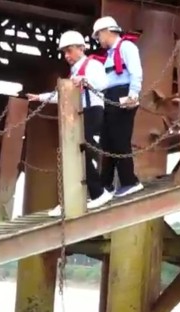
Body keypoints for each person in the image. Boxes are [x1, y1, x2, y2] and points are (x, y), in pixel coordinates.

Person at [26, 30, 113, 216]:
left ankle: (98, 192)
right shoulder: (74, 71)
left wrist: (86, 80)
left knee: (80, 149)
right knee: (75, 152)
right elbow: (64, 95)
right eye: (64, 52)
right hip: (80, 113)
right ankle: (76, 197)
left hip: (92, 111)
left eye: (69, 50)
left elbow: (103, 83)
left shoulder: (93, 65)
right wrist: (39, 97)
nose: (66, 56)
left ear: (81, 48)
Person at [91, 16, 144, 198]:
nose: (98, 39)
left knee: (120, 140)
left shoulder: (127, 47)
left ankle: (130, 181)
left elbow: (136, 71)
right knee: (107, 141)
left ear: (108, 31)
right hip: (110, 96)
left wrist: (133, 94)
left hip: (123, 95)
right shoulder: (110, 54)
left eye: (99, 35)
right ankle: (106, 184)